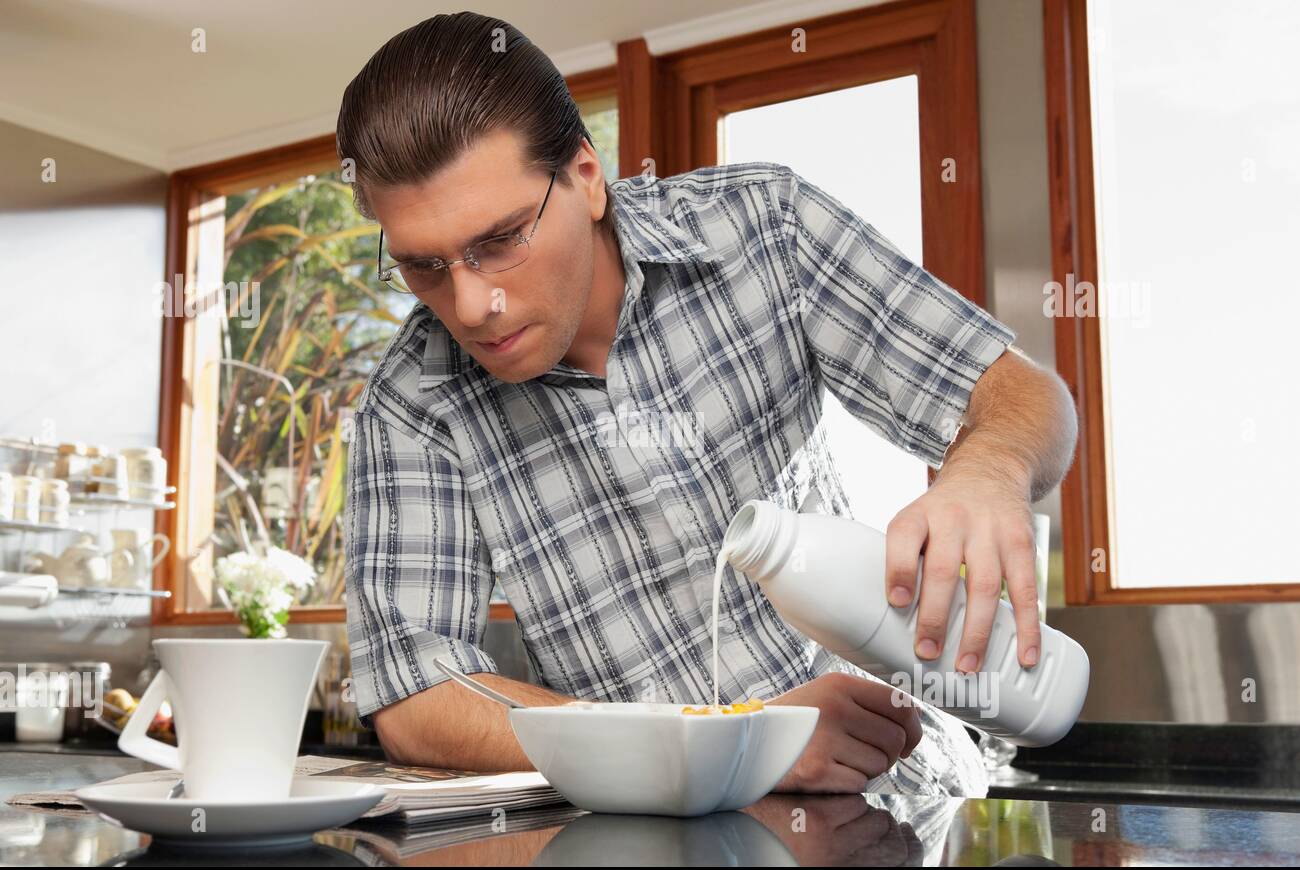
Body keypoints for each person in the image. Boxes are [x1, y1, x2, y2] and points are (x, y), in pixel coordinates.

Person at [337, 12, 1077, 796]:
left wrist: (989, 467)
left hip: (914, 798)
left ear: (586, 177)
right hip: (652, 844)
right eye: (423, 266)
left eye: (502, 238)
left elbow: (1025, 396)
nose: (472, 302)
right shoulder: (411, 407)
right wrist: (736, 745)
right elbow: (417, 699)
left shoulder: (762, 228)